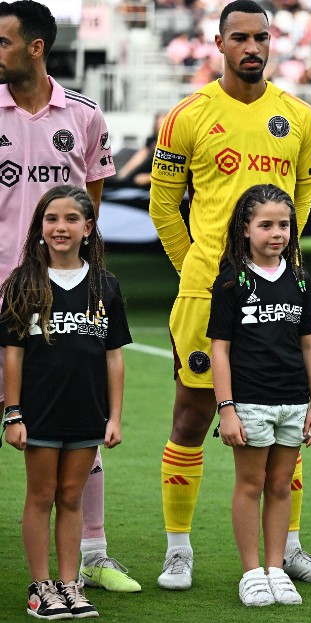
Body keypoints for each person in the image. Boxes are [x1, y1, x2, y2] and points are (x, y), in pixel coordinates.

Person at [148, 0, 311, 590]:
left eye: (261, 37)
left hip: (276, 293)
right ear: (219, 42)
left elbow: (302, 196)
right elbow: (163, 205)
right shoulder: (189, 115)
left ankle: (291, 549)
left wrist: (283, 256)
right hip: (207, 293)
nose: (252, 47)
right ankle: (179, 548)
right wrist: (197, 273)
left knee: (284, 414)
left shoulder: (298, 116)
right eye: (240, 38)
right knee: (192, 412)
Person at [0, 0, 138, 593]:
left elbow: (91, 202)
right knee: (17, 421)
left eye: (2, 41)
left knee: (81, 425)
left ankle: (93, 555)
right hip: (4, 294)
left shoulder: (83, 115)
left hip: (61, 295)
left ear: (35, 47)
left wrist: (71, 271)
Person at [1, 186, 131, 619]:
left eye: (72, 219)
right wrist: (13, 411)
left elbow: (114, 357)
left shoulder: (105, 285)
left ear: (89, 228)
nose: (61, 227)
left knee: (72, 497)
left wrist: (114, 416)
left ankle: (70, 585)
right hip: (38, 412)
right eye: (52, 219)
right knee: (41, 495)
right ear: (40, 228)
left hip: (86, 411)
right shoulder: (25, 282)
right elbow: (13, 353)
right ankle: (41, 587)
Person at [208, 184, 311, 607]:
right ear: (245, 229)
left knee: (281, 485)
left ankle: (276, 570)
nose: (277, 233)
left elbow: (310, 344)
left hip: (293, 402)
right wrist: (226, 409)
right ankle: (251, 572)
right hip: (249, 403)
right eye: (266, 225)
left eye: (284, 224)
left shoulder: (299, 279)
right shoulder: (230, 282)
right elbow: (218, 349)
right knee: (250, 484)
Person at [114, 111, 166, 188]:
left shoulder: (173, 144)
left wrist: (149, 177)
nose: (159, 126)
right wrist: (124, 172)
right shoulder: (152, 141)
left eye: (162, 123)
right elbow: (142, 154)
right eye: (158, 123)